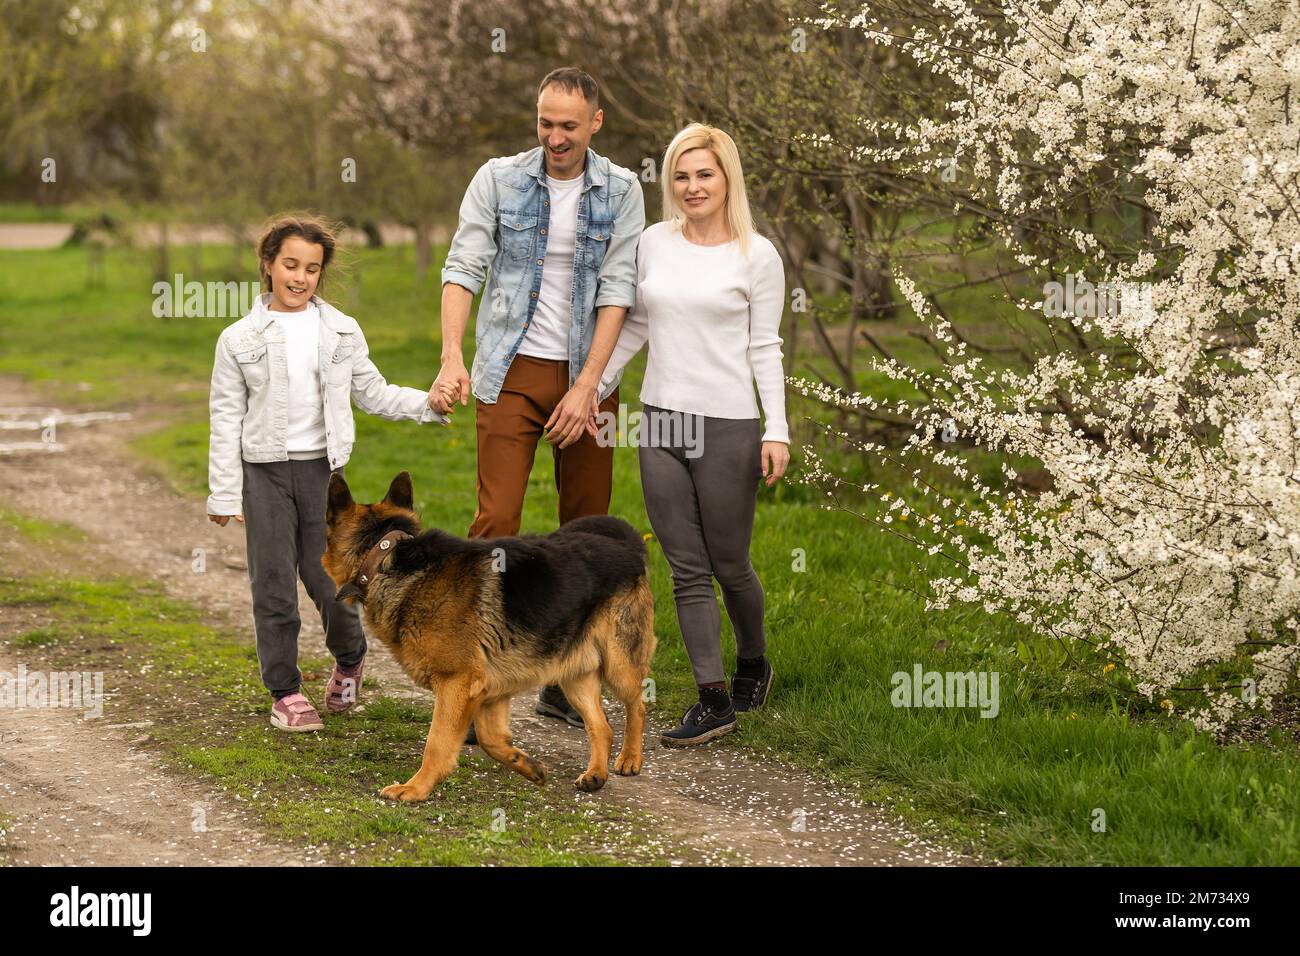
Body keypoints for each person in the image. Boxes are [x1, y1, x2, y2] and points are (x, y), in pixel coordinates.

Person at [430, 67, 644, 732]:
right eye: (546, 123)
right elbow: (464, 267)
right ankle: (467, 684)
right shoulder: (497, 179)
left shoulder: (623, 189)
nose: (555, 137)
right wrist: (451, 355)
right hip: (510, 371)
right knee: (494, 525)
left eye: (569, 127)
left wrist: (588, 387)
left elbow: (619, 288)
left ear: (596, 123)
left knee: (586, 530)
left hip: (590, 377)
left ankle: (563, 679)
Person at [207, 213, 448, 732]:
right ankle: (285, 692)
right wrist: (225, 494)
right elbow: (225, 417)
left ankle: (350, 658)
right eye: (290, 264)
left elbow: (374, 392)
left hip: (323, 478)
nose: (300, 277)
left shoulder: (340, 330)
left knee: (330, 581)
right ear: (268, 265)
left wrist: (429, 403)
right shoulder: (238, 338)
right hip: (263, 475)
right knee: (271, 585)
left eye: (312, 269)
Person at [598, 123, 790, 746]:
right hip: (661, 419)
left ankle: (753, 662)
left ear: (727, 177)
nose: (692, 186)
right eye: (680, 175)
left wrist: (776, 430)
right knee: (685, 567)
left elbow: (766, 346)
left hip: (729, 423)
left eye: (704, 173)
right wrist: (593, 380)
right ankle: (712, 699)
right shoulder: (654, 243)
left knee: (730, 564)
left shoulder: (756, 256)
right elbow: (638, 325)